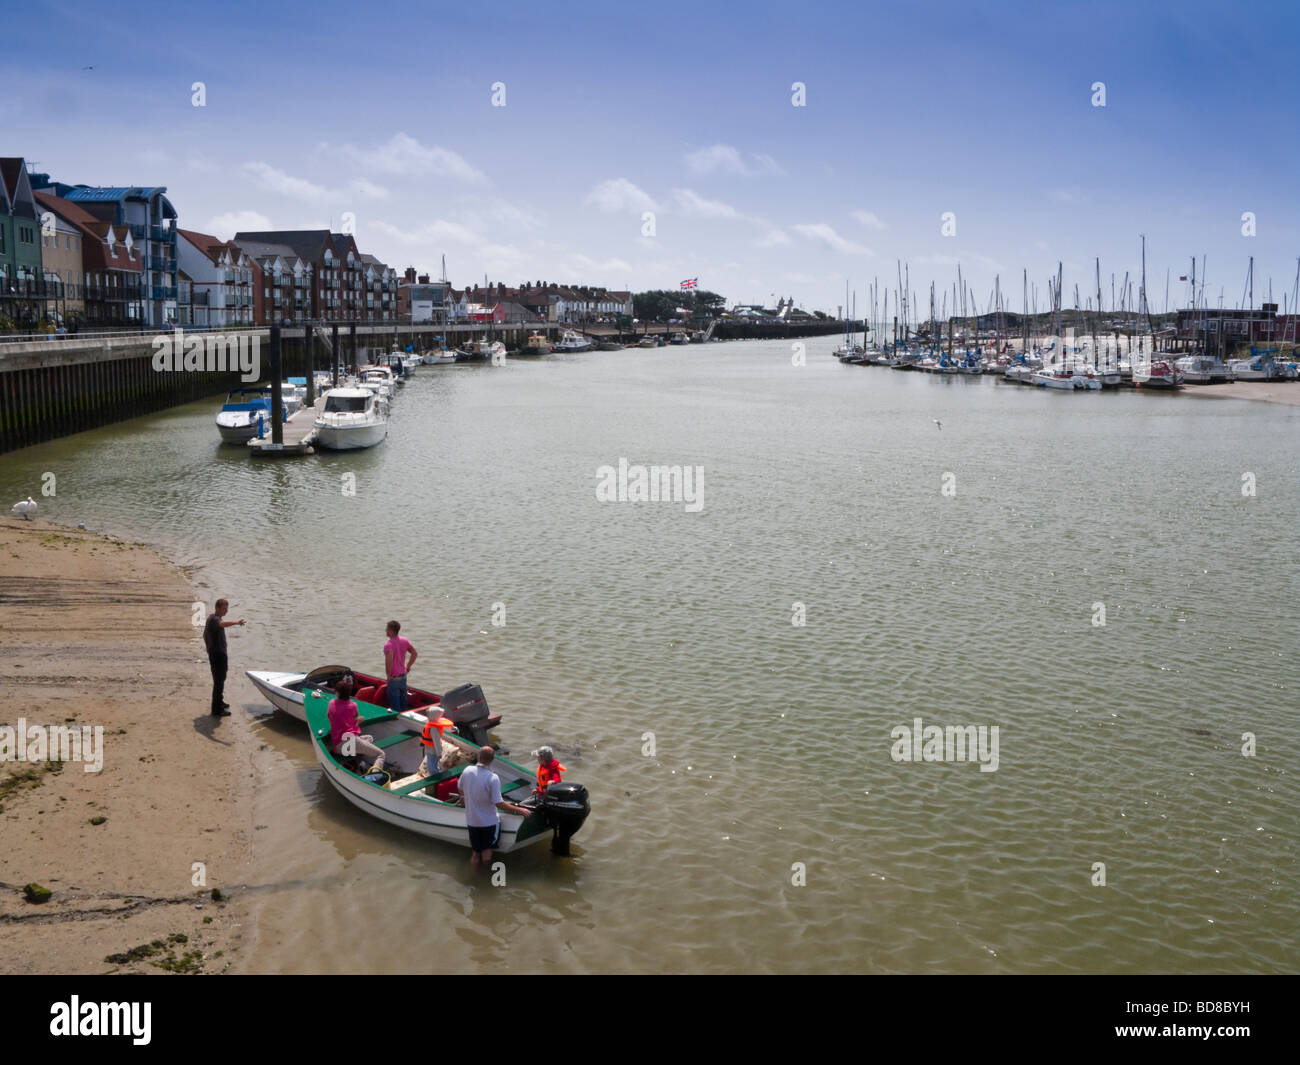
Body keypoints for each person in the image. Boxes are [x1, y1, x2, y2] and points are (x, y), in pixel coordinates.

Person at [458, 747, 530, 867]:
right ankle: (485, 880)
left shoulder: (467, 770)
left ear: (479, 758)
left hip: (472, 822)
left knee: (475, 853)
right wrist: (520, 809)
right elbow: (499, 803)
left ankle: (474, 877)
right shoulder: (493, 777)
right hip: (488, 823)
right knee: (487, 853)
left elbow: (460, 788)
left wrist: (465, 798)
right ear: (492, 760)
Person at [327, 677, 385, 774]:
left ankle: (358, 763)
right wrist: (359, 721)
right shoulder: (352, 705)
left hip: (338, 745)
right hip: (350, 742)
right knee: (381, 754)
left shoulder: (332, 703)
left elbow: (331, 717)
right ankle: (373, 776)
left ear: (337, 693)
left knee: (369, 738)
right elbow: (353, 720)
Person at [203, 599, 244, 717]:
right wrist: (236, 622)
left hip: (216, 654)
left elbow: (204, 635)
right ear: (218, 608)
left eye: (227, 608)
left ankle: (219, 702)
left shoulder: (211, 618)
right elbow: (222, 624)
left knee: (221, 679)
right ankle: (216, 710)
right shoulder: (215, 620)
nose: (226, 610)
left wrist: (208, 648)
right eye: (225, 608)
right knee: (219, 682)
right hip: (217, 655)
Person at [383, 620, 417, 715]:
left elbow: (389, 661)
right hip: (403, 677)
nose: (386, 631)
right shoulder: (404, 641)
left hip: (394, 678)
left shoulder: (388, 644)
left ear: (392, 631)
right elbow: (414, 653)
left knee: (395, 707)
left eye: (387, 629)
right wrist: (408, 666)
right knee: (404, 703)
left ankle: (397, 724)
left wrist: (388, 675)